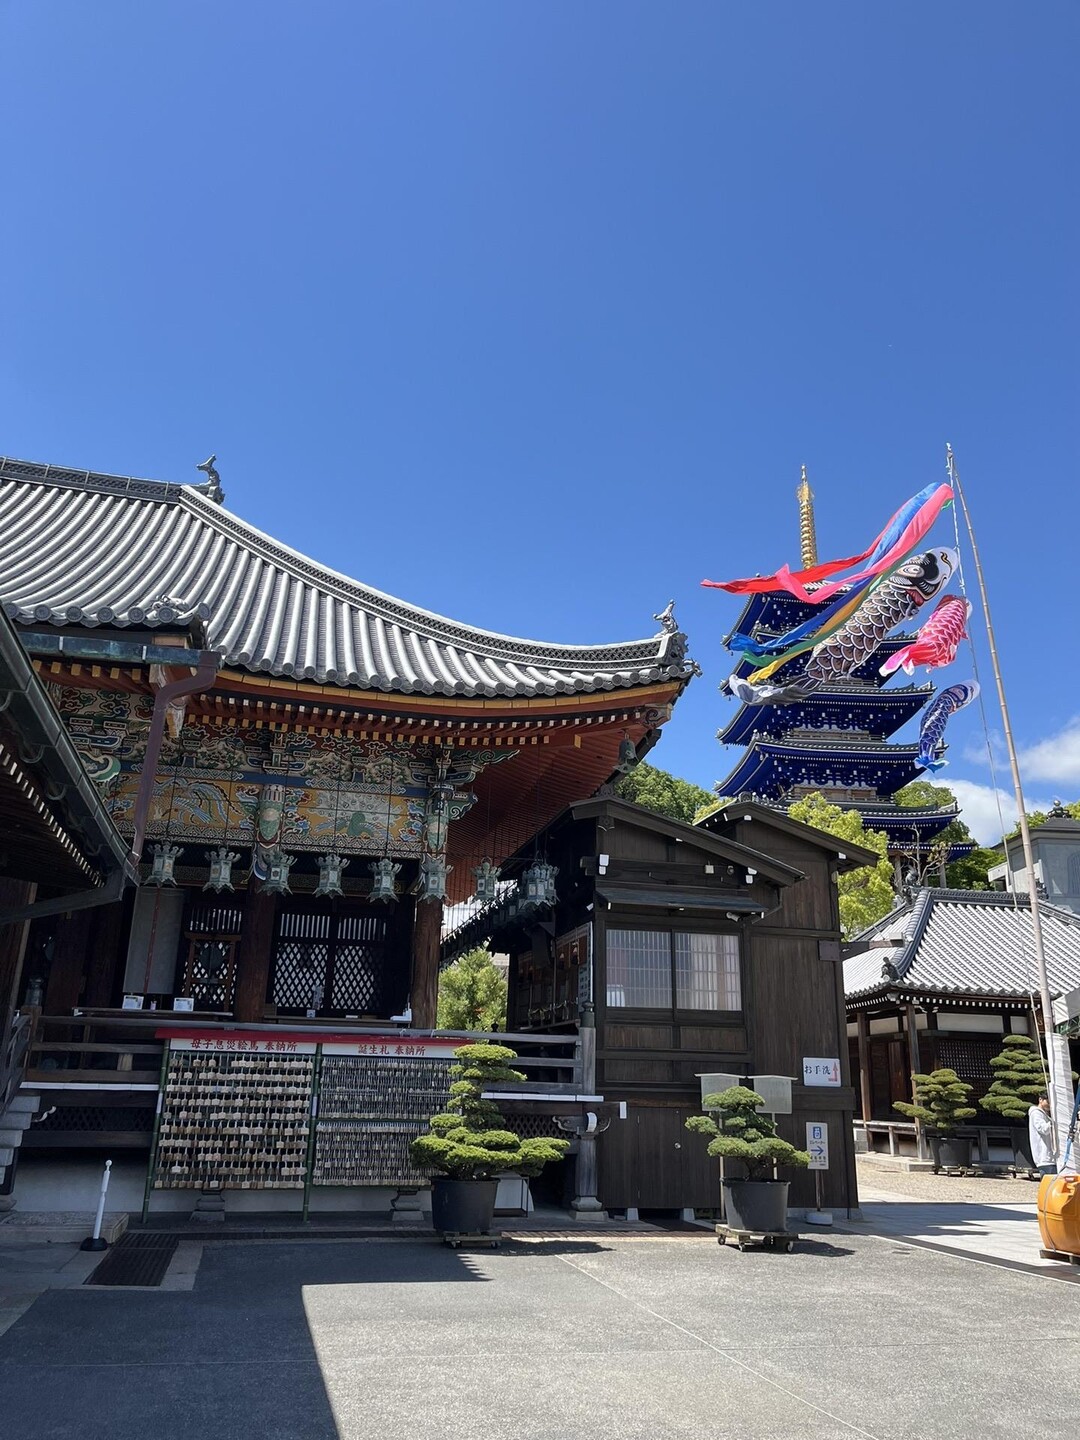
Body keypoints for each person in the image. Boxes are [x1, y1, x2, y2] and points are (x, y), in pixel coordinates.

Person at [1028, 1093, 1055, 1177]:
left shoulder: (1045, 1114)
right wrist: (1053, 1122)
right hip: (1044, 1157)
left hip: (1049, 1157)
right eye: (1048, 1101)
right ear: (1040, 1100)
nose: (1050, 1103)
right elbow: (1043, 1129)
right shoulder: (1036, 1113)